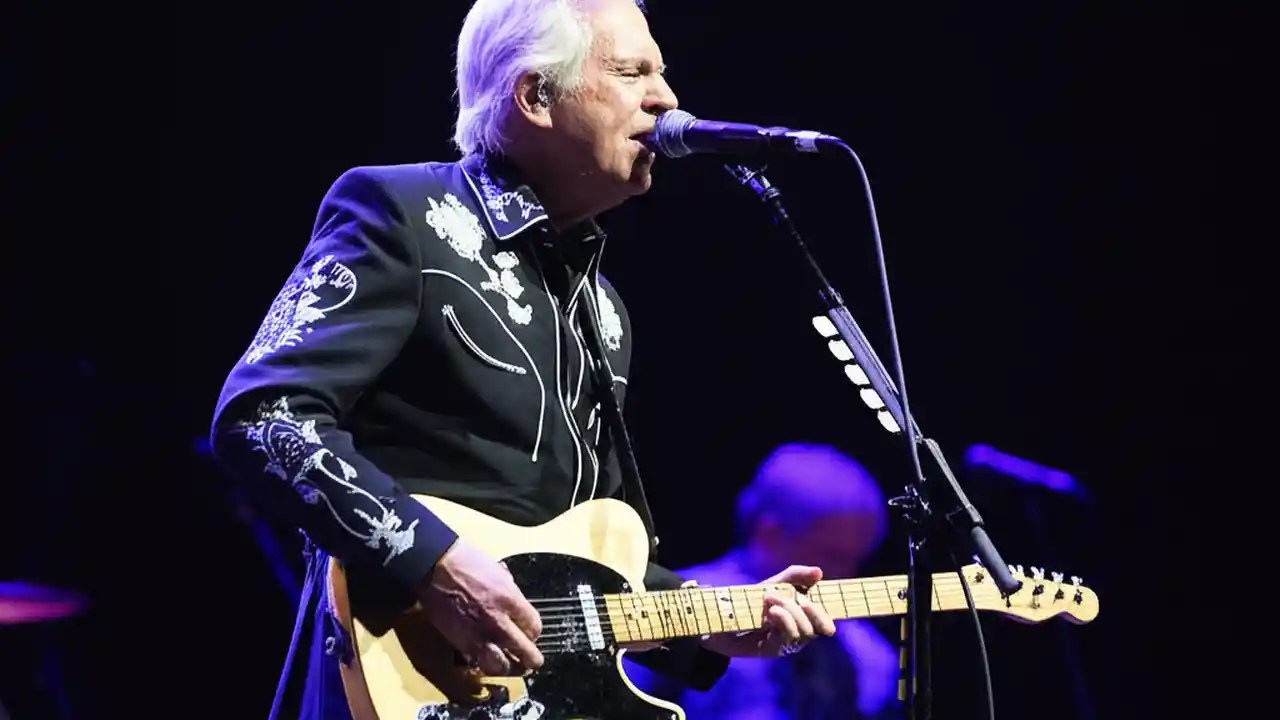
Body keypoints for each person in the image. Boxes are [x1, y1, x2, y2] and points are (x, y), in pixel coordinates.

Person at [208, 1, 837, 718]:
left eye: (662, 73)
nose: (667, 98)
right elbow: (264, 415)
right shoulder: (403, 214)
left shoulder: (603, 310)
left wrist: (711, 622)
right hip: (397, 687)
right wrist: (434, 564)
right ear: (536, 96)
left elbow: (580, 554)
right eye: (633, 71)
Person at [624, 442, 903, 719]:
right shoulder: (671, 601)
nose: (847, 573)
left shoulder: (871, 655)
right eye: (833, 555)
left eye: (858, 558)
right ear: (770, 533)